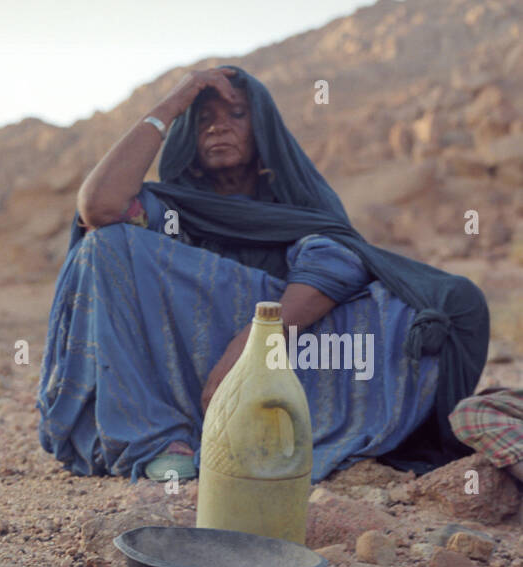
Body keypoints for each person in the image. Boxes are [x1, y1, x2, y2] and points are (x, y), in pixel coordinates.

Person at [38, 66, 490, 484]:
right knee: (106, 247)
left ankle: (295, 432)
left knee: (433, 307)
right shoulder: (170, 210)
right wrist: (172, 103)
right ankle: (162, 439)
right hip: (186, 368)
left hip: (280, 356)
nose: (218, 126)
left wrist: (253, 342)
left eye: (237, 114)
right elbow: (99, 208)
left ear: (263, 133)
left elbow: (336, 261)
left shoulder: (295, 199)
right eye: (202, 119)